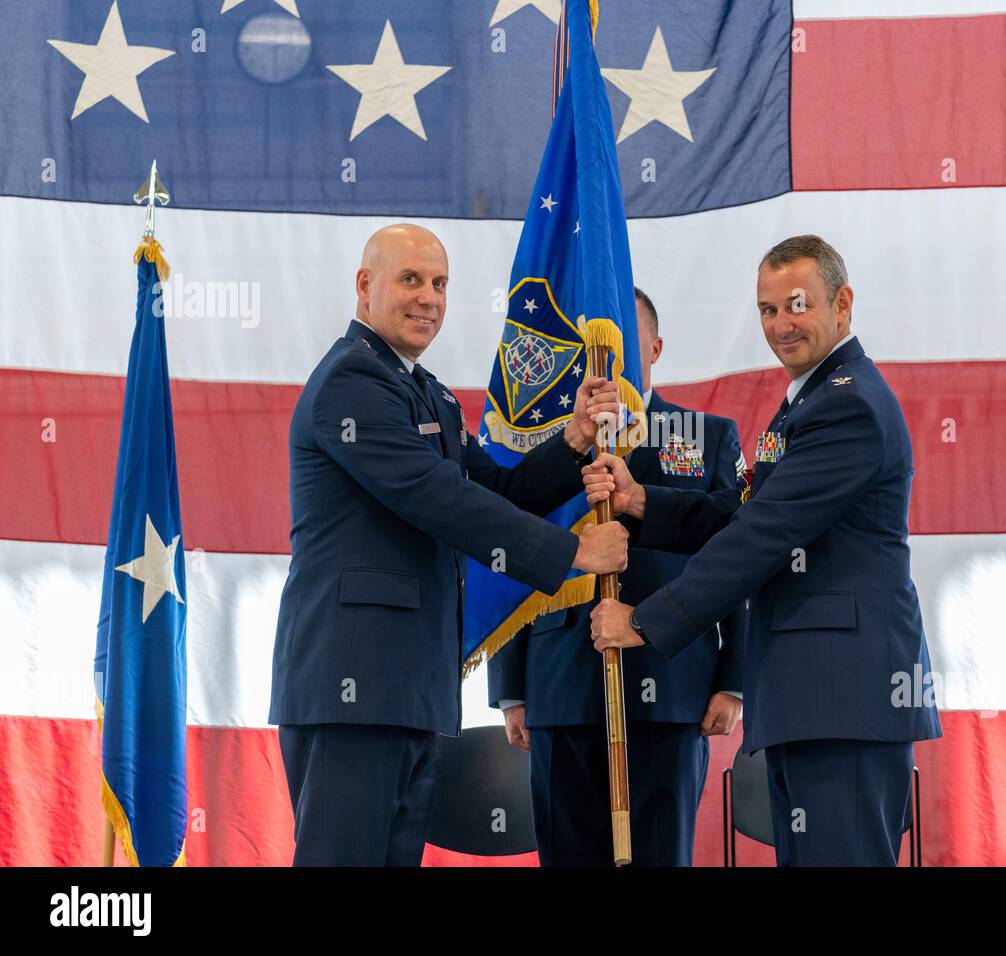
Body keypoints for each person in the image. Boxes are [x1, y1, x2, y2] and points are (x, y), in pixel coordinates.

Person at [268, 223, 628, 866]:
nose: (429, 297)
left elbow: (496, 487)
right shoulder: (352, 382)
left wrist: (572, 439)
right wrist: (571, 555)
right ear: (364, 285)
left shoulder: (425, 390)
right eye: (410, 279)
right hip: (353, 685)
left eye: (439, 284)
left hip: (410, 686)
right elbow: (439, 499)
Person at [584, 235, 941, 866]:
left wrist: (644, 622)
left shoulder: (848, 405)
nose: (781, 325)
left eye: (796, 304)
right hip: (813, 697)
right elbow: (744, 512)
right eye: (768, 310)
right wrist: (643, 502)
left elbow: (762, 536)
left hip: (846, 700)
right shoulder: (811, 399)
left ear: (843, 303)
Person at [488, 287, 745, 866]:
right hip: (559, 683)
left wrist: (734, 678)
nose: (608, 362)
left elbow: (737, 558)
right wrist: (511, 685)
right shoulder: (546, 440)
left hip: (673, 683)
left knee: (659, 856)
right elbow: (506, 550)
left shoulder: (708, 437)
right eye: (595, 349)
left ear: (655, 347)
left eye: (624, 345)